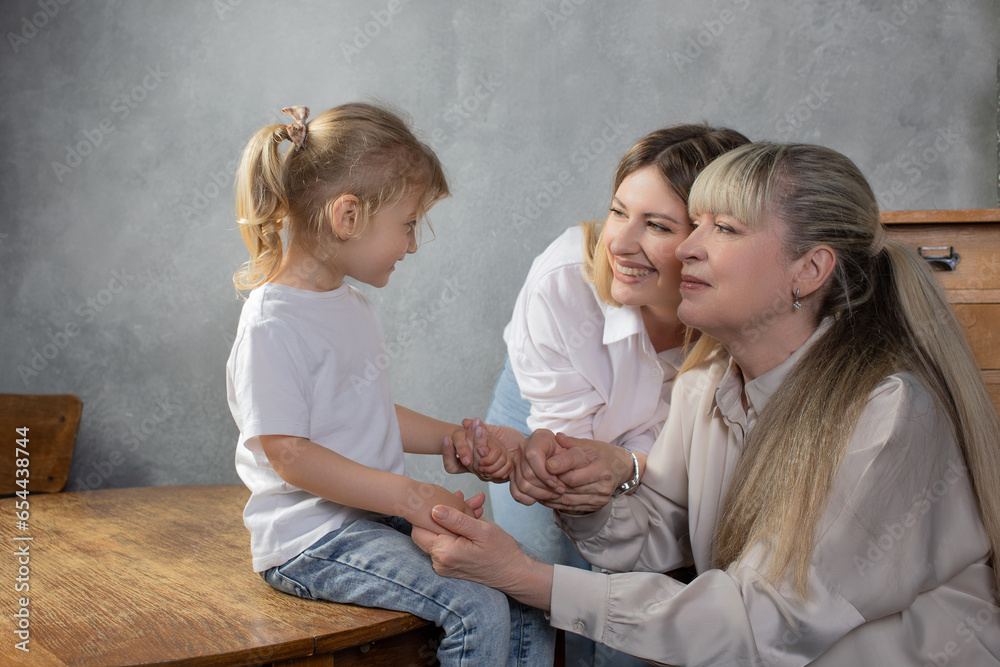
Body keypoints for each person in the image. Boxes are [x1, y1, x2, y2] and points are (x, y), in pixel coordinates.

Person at [418, 142, 1000, 665]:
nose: (687, 250)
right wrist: (582, 494)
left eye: (724, 229)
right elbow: (654, 531)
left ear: (810, 269)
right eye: (694, 225)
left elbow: (764, 621)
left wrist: (528, 579)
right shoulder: (709, 384)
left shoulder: (887, 413)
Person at [225, 103, 553, 667]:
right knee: (475, 603)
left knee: (519, 579)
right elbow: (290, 455)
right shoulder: (271, 324)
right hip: (313, 542)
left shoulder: (350, 307)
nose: (413, 244)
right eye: (407, 223)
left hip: (368, 520)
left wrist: (457, 436)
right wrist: (411, 497)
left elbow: (366, 410)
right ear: (348, 216)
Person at [481, 125, 750, 557]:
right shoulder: (564, 280)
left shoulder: (739, 321)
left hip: (657, 450)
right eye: (618, 212)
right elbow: (566, 453)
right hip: (548, 414)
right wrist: (586, 472)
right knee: (541, 579)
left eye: (658, 226)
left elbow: (687, 460)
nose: (620, 244)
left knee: (628, 591)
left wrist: (634, 467)